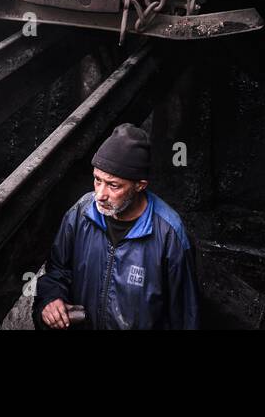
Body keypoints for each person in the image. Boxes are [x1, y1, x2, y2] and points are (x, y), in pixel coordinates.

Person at [34, 123, 200, 330]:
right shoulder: (80, 213)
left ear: (140, 185)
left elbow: (184, 315)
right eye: (97, 180)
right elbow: (57, 271)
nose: (100, 194)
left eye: (113, 185)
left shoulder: (168, 233)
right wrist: (52, 298)